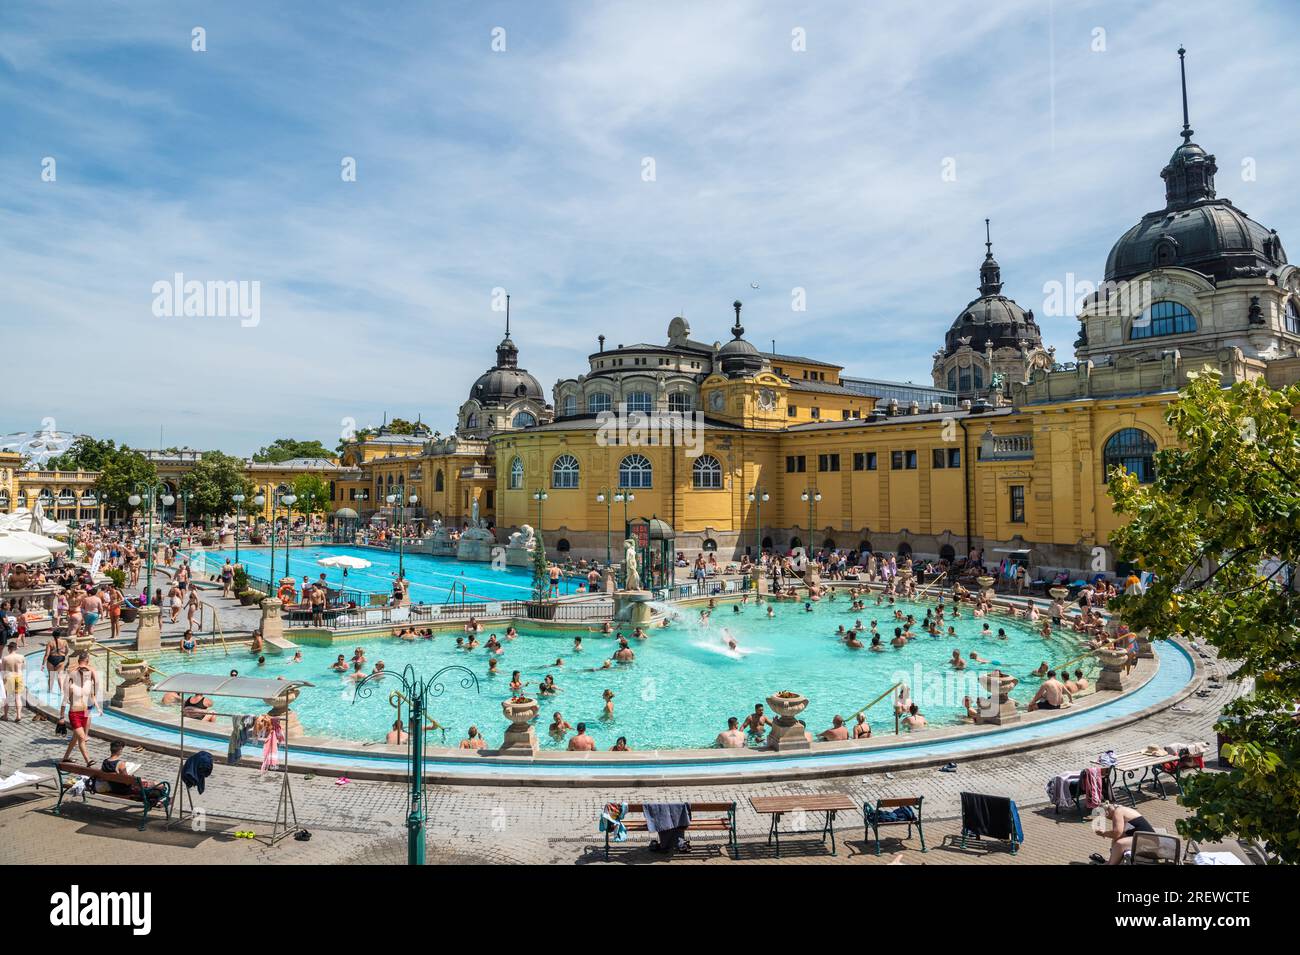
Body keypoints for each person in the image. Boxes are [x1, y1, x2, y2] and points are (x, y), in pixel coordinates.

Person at [60, 652, 100, 765]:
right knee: (82, 738)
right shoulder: (72, 687)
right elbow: (63, 701)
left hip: (84, 713)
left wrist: (98, 708)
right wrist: (61, 717)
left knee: (75, 739)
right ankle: (88, 761)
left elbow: (94, 689)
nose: (86, 675)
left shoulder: (87, 686)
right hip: (74, 714)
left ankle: (65, 758)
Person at [2, 641, 26, 722]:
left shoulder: (5, 658)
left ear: (9, 649)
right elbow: (24, 667)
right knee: (18, 697)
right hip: (19, 677)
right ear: (16, 648)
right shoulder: (21, 656)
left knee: (7, 698)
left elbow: (2, 670)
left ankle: (5, 716)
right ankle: (18, 715)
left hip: (9, 677)